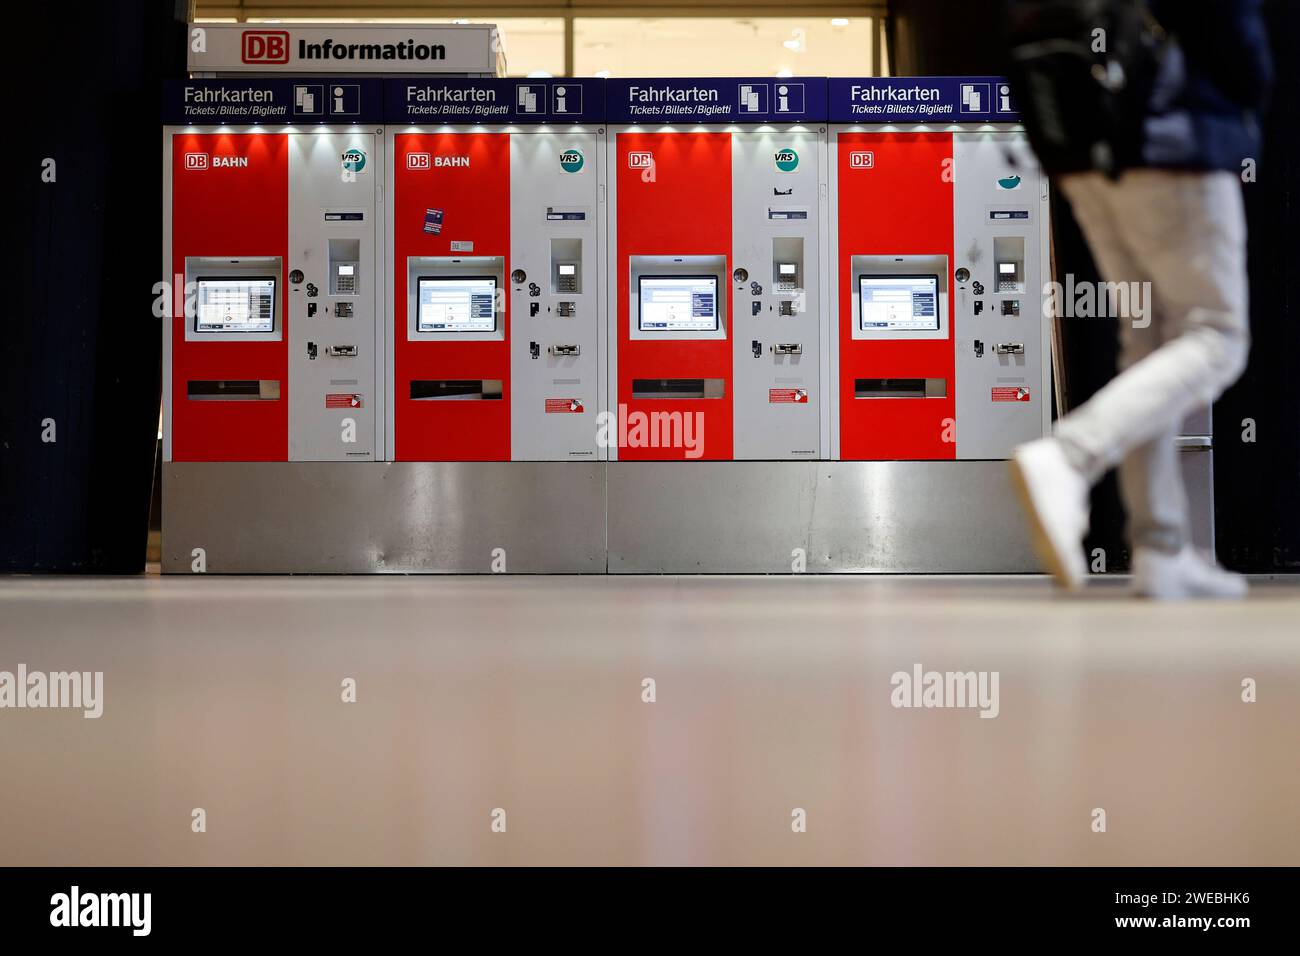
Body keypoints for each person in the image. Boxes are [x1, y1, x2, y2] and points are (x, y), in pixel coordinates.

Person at [1010, 0, 1273, 599]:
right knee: (1217, 337)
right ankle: (1071, 456)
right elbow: (1231, 36)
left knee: (1149, 342)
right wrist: (1251, 95)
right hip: (1171, 135)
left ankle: (1160, 548)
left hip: (1082, 148)